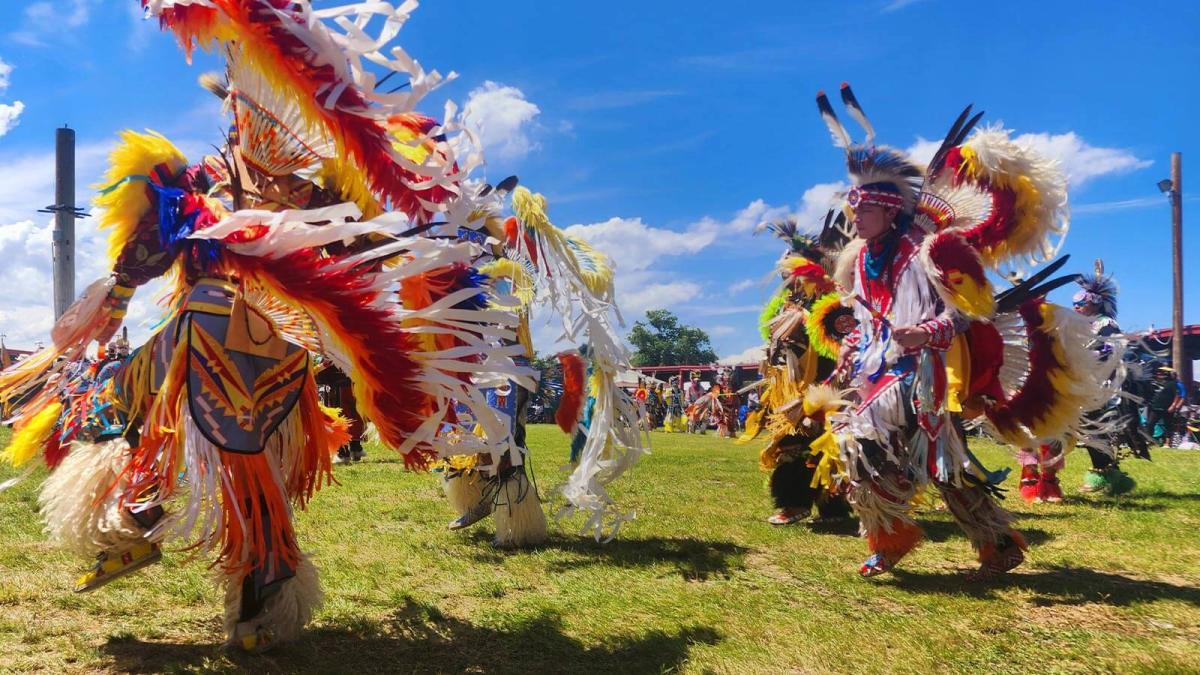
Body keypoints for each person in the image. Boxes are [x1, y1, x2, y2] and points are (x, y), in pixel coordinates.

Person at [815, 85, 1120, 579]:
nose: (856, 218)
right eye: (853, 211)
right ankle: (889, 537)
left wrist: (927, 332)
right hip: (881, 374)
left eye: (863, 210)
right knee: (861, 452)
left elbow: (972, 312)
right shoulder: (863, 263)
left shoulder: (935, 254)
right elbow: (870, 319)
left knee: (942, 466)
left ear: (889, 210)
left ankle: (997, 543)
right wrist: (856, 345)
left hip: (927, 375)